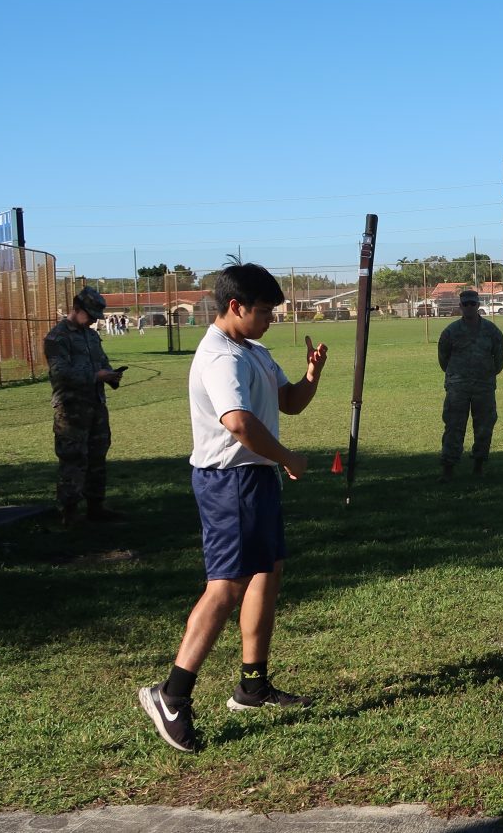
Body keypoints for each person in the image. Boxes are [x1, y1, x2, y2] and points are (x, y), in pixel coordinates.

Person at [137, 263, 328, 753]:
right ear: (235, 306)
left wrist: (311, 376)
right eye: (264, 311)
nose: (270, 320)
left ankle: (252, 685)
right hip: (230, 481)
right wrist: (288, 458)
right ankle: (172, 694)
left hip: (255, 477)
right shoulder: (221, 357)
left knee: (267, 572)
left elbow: (288, 404)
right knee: (225, 587)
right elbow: (238, 422)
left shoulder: (252, 349)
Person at [43, 286, 122, 525]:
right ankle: (70, 512)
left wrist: (111, 374)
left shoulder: (91, 336)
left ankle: (96, 506)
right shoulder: (57, 337)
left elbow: (102, 361)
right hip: (71, 409)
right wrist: (96, 376)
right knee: (73, 459)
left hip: (96, 405)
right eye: (89, 316)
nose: (92, 322)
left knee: (98, 456)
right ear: (76, 309)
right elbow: (61, 374)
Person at [438, 288, 503, 479]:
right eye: (465, 304)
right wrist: (456, 376)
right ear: (460, 306)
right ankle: (448, 469)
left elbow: (500, 358)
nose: (469, 307)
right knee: (453, 426)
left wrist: (487, 375)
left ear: (478, 305)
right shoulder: (450, 331)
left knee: (484, 426)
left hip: (483, 386)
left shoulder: (491, 331)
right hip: (457, 387)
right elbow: (443, 359)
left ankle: (479, 465)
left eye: (472, 304)